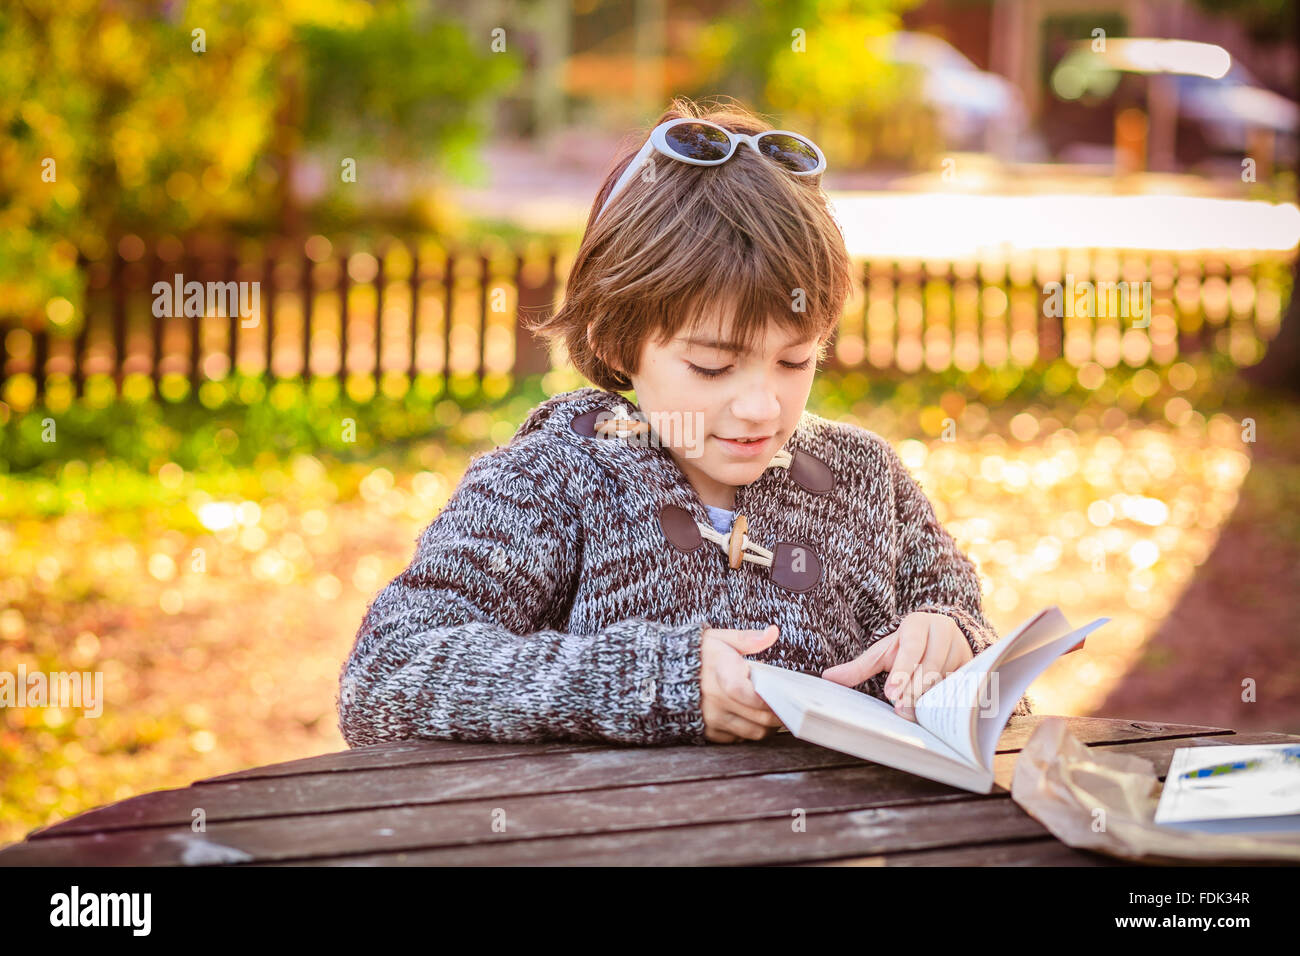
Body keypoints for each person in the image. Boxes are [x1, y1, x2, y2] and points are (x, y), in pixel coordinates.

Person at [337, 95, 1031, 748]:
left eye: (794, 361)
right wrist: (655, 683)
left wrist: (957, 649)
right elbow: (383, 677)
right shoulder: (550, 481)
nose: (762, 407)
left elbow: (1004, 705)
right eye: (712, 366)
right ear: (617, 339)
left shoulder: (868, 481)